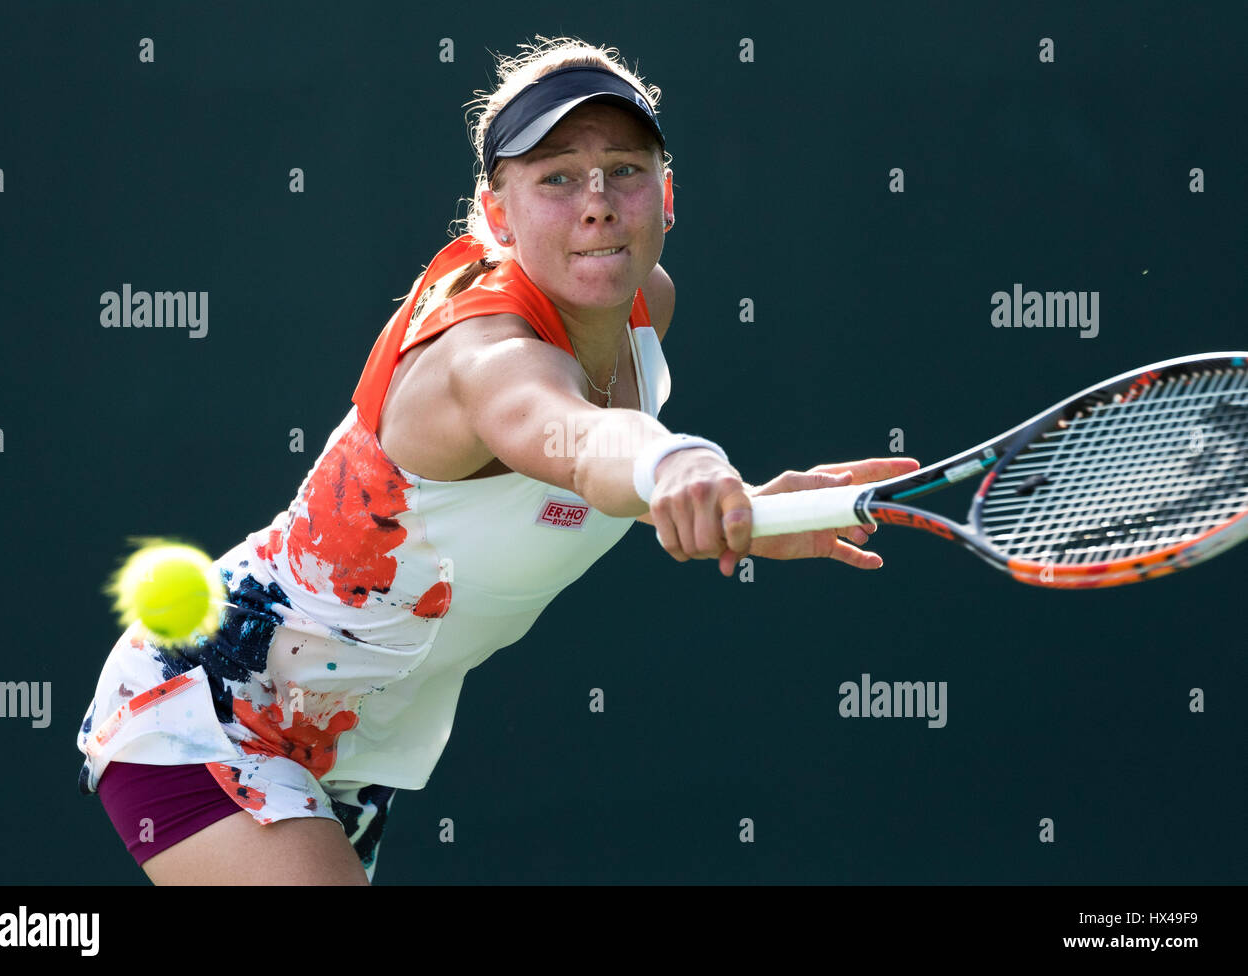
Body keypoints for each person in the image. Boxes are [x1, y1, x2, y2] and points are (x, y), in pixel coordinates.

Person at [75, 35, 919, 885]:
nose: (597, 203)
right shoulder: (482, 355)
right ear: (498, 214)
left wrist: (752, 513)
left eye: (624, 170)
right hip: (217, 702)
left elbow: (567, 488)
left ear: (665, 196)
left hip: (356, 742)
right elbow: (576, 439)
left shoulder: (642, 307)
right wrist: (677, 464)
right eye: (555, 177)